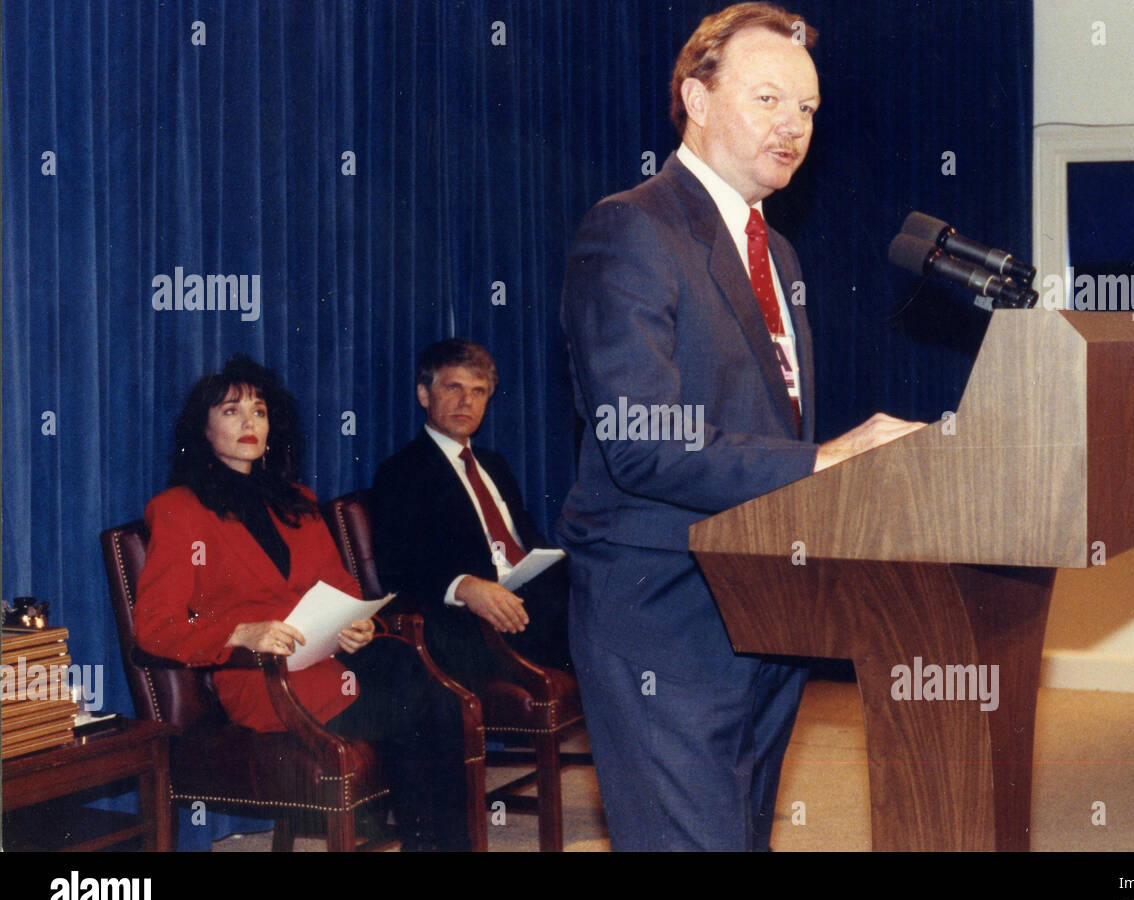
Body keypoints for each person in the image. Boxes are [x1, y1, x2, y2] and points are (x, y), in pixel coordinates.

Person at [557, 2, 925, 850]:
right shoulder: (632, 227)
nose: (793, 127)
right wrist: (824, 461)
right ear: (695, 95)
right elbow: (642, 438)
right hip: (664, 612)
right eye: (767, 100)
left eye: (806, 109)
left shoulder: (779, 253)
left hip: (766, 599)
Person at [132, 354, 472, 851]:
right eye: (231, 411)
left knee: (429, 686)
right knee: (417, 699)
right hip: (264, 680)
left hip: (330, 659)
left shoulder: (297, 501)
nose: (249, 422)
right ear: (203, 429)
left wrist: (360, 626)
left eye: (260, 411)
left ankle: (439, 846)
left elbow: (343, 591)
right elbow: (154, 628)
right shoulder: (178, 511)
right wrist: (237, 633)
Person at [370, 339, 570, 693]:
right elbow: (397, 567)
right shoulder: (401, 472)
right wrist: (464, 586)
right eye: (454, 388)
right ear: (423, 394)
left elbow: (525, 540)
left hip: (530, 603)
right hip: (474, 622)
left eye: (478, 392)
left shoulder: (495, 465)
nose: (467, 402)